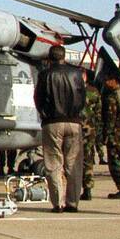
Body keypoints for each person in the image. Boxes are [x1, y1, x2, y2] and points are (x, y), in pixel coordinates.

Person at [33, 44, 85, 212]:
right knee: (73, 164)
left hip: (52, 122)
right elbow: (82, 97)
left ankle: (58, 203)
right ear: (64, 56)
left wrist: (44, 115)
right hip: (74, 122)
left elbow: (38, 98)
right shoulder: (76, 73)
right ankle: (73, 203)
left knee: (54, 163)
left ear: (49, 58)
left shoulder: (45, 74)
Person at [80, 68, 103, 200]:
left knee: (73, 159)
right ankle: (87, 188)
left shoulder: (75, 90)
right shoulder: (94, 92)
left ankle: (81, 189)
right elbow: (99, 113)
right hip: (90, 129)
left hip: (78, 128)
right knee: (88, 159)